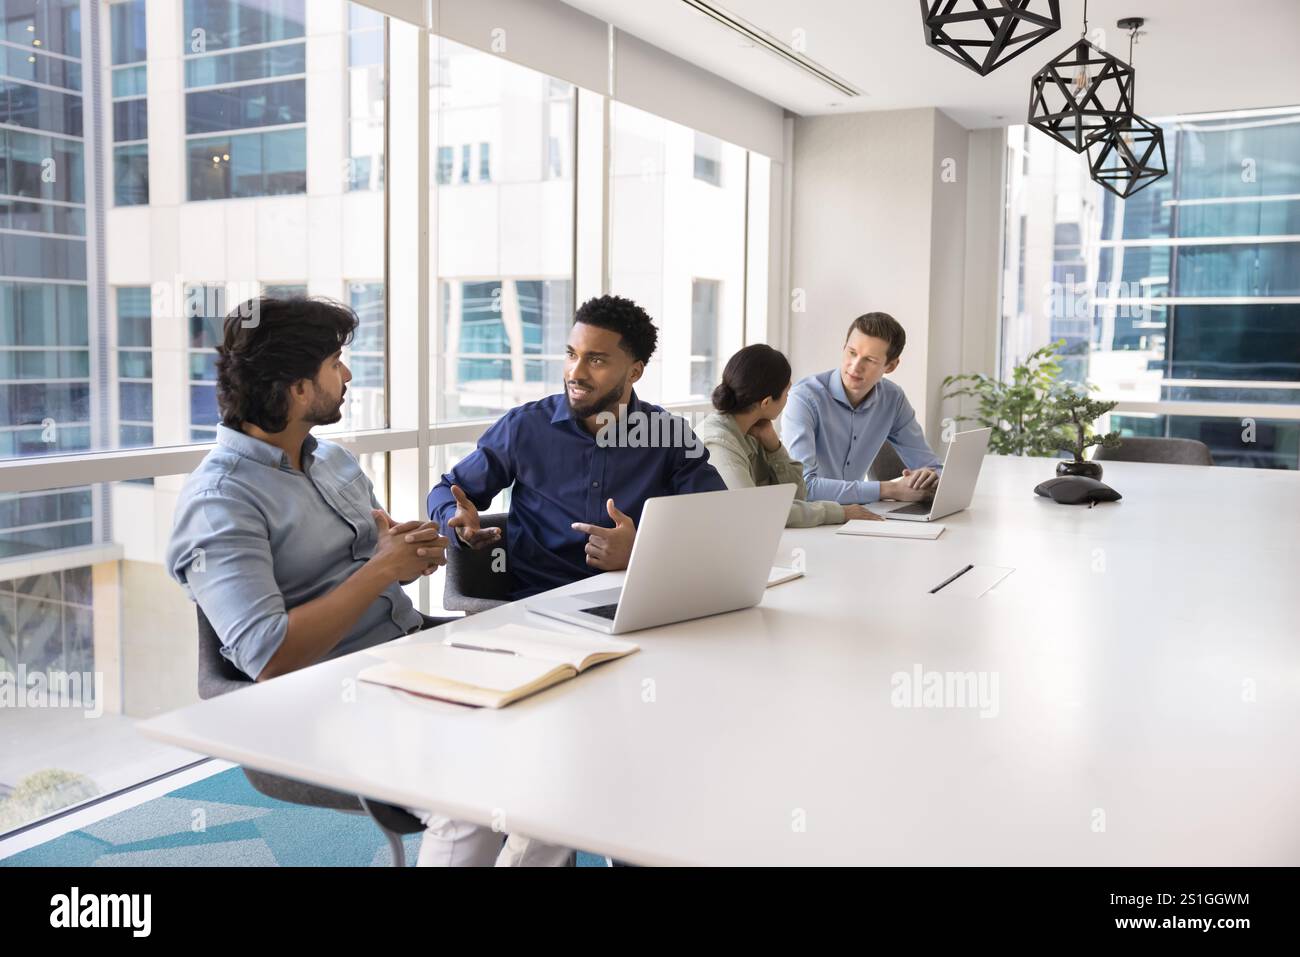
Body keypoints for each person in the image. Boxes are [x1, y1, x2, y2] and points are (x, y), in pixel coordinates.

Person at [166, 296, 541, 867]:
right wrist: (382, 569)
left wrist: (409, 550)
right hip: (319, 701)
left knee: (558, 735)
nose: (346, 375)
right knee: (472, 788)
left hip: (407, 661)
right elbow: (270, 658)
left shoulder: (332, 460)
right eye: (335, 362)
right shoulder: (220, 501)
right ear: (296, 389)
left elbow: (379, 559)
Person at [427, 294, 726, 602]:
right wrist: (455, 518)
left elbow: (717, 522)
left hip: (640, 600)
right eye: (572, 355)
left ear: (634, 372)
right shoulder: (524, 427)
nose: (576, 373)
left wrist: (641, 552)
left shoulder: (669, 435)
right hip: (539, 609)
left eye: (596, 360)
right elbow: (447, 490)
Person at [696, 344, 884, 527]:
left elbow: (797, 496)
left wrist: (774, 448)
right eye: (787, 392)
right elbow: (753, 511)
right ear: (766, 402)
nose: (789, 398)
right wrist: (839, 512)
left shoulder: (754, 430)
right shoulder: (719, 443)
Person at [782, 312, 942, 505]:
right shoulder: (804, 398)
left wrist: (928, 476)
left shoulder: (893, 399)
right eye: (852, 352)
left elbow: (933, 467)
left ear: (890, 366)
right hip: (809, 519)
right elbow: (804, 487)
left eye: (870, 360)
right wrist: (890, 489)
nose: (855, 366)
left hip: (856, 516)